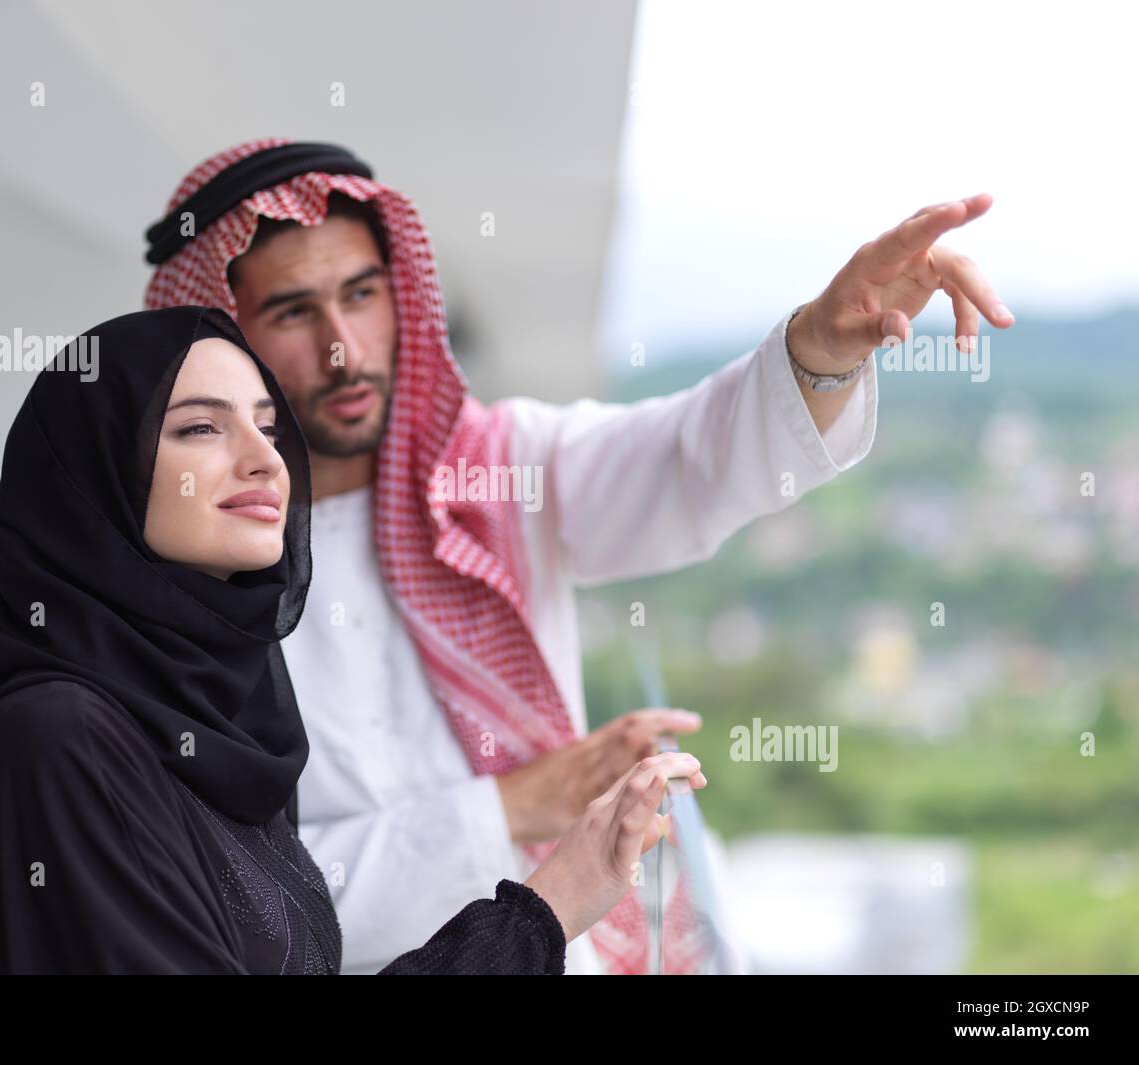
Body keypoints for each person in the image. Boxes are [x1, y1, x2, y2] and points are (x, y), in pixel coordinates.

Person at [143, 139, 1013, 974]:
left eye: (363, 295)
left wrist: (822, 349)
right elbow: (230, 898)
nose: (344, 345)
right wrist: (514, 806)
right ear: (224, 340)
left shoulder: (499, 468)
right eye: (294, 311)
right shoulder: (179, 574)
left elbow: (688, 459)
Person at [0, 305, 706, 975]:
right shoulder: (59, 739)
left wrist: (555, 905)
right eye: (199, 427)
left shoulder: (227, 724)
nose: (265, 459)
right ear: (97, 477)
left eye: (267, 425)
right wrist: (543, 911)